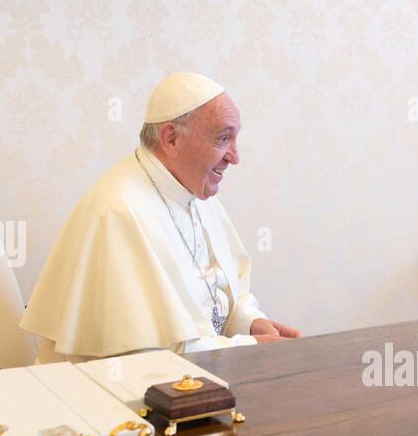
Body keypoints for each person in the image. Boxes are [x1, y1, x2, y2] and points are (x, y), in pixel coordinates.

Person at [20, 72, 300, 362]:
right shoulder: (118, 212)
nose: (235, 156)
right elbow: (143, 358)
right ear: (171, 138)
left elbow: (220, 291)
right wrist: (249, 348)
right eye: (223, 138)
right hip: (117, 397)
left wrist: (249, 321)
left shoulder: (194, 191)